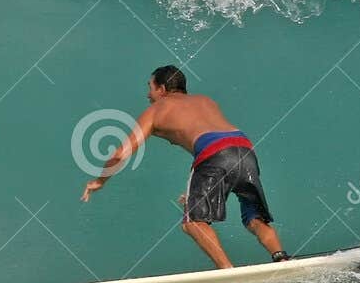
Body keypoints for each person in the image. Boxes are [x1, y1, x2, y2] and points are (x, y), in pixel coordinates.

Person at [80, 65, 288, 269]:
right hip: (244, 148)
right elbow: (213, 140)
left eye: (150, 87)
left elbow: (119, 154)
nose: (148, 94)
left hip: (213, 154)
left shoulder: (156, 109)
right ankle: (281, 258)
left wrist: (99, 180)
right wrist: (195, 189)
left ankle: (227, 270)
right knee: (254, 216)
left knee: (193, 222)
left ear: (161, 89)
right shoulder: (206, 101)